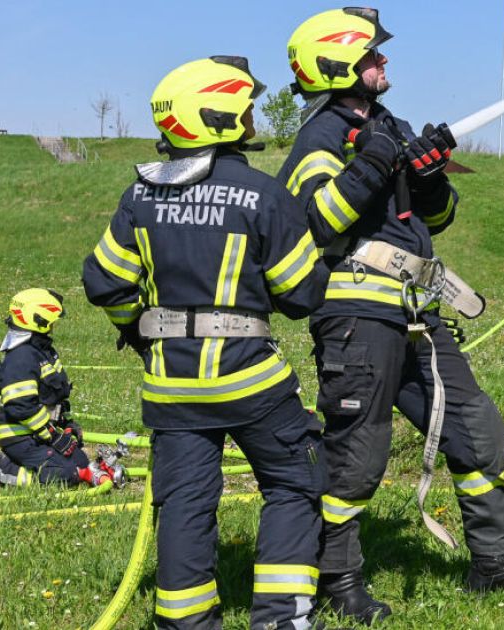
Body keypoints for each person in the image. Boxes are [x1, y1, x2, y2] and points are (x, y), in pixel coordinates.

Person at [277, 8, 504, 625]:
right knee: (357, 455)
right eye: (372, 56)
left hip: (417, 314)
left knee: (477, 431)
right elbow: (316, 223)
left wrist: (430, 180)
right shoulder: (319, 137)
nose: (385, 62)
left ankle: (497, 569)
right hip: (356, 316)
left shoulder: (390, 124)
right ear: (337, 65)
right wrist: (375, 161)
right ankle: (339, 582)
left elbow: (433, 221)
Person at [81, 57, 330, 630]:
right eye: (242, 107)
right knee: (295, 479)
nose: (249, 116)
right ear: (218, 115)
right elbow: (301, 294)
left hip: (172, 388)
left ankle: (186, 622)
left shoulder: (140, 196)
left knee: (186, 501)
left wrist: (137, 329)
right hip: (251, 383)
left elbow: (104, 282)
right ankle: (280, 617)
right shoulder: (262, 194)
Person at [0, 288, 117, 487]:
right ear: (39, 320)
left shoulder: (42, 352)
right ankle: (2, 469)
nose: (54, 327)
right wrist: (52, 435)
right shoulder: (21, 358)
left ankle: (39, 465)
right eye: (52, 322)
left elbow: (53, 397)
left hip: (39, 433)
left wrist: (65, 424)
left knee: (81, 462)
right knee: (66, 475)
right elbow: (21, 406)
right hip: (20, 437)